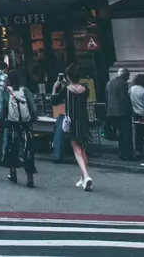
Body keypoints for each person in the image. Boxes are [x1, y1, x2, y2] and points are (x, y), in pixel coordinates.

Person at [0, 70, 38, 188]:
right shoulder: (25, 90)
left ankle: (13, 173)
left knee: (12, 148)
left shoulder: (6, 91)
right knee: (27, 149)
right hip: (25, 124)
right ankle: (30, 177)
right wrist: (33, 118)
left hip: (12, 124)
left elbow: (3, 108)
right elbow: (33, 107)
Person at [63, 63, 94, 191]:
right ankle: (82, 179)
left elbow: (55, 100)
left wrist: (56, 87)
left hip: (72, 121)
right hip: (83, 121)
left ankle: (86, 176)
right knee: (83, 150)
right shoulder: (85, 89)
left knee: (77, 151)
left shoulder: (66, 89)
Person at [106, 67, 133, 161]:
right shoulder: (123, 84)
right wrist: (130, 110)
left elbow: (107, 98)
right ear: (125, 75)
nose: (129, 78)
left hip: (112, 111)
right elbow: (124, 99)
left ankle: (121, 152)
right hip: (122, 111)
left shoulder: (109, 82)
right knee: (127, 133)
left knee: (120, 133)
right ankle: (128, 154)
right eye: (128, 76)